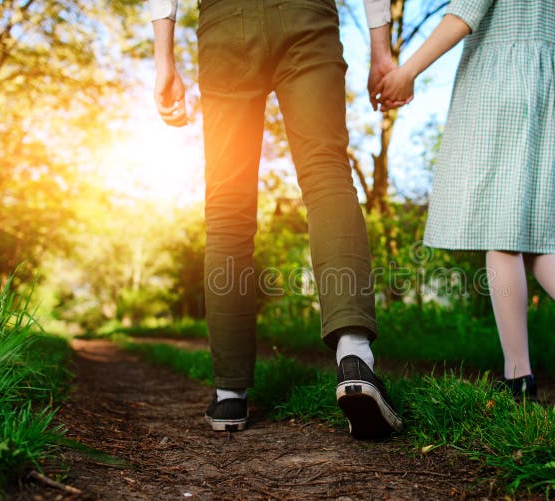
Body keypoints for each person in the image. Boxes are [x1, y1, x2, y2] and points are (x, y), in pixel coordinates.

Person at [148, 0, 403, 437]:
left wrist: (164, 59)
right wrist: (381, 51)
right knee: (327, 176)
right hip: (306, 16)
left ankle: (230, 395)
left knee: (228, 205)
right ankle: (354, 357)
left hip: (225, 24)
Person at [372, 0, 555, 413]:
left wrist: (407, 71)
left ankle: (518, 379)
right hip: (549, 90)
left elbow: (464, 13)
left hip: (499, 84)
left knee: (500, 234)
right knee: (536, 237)